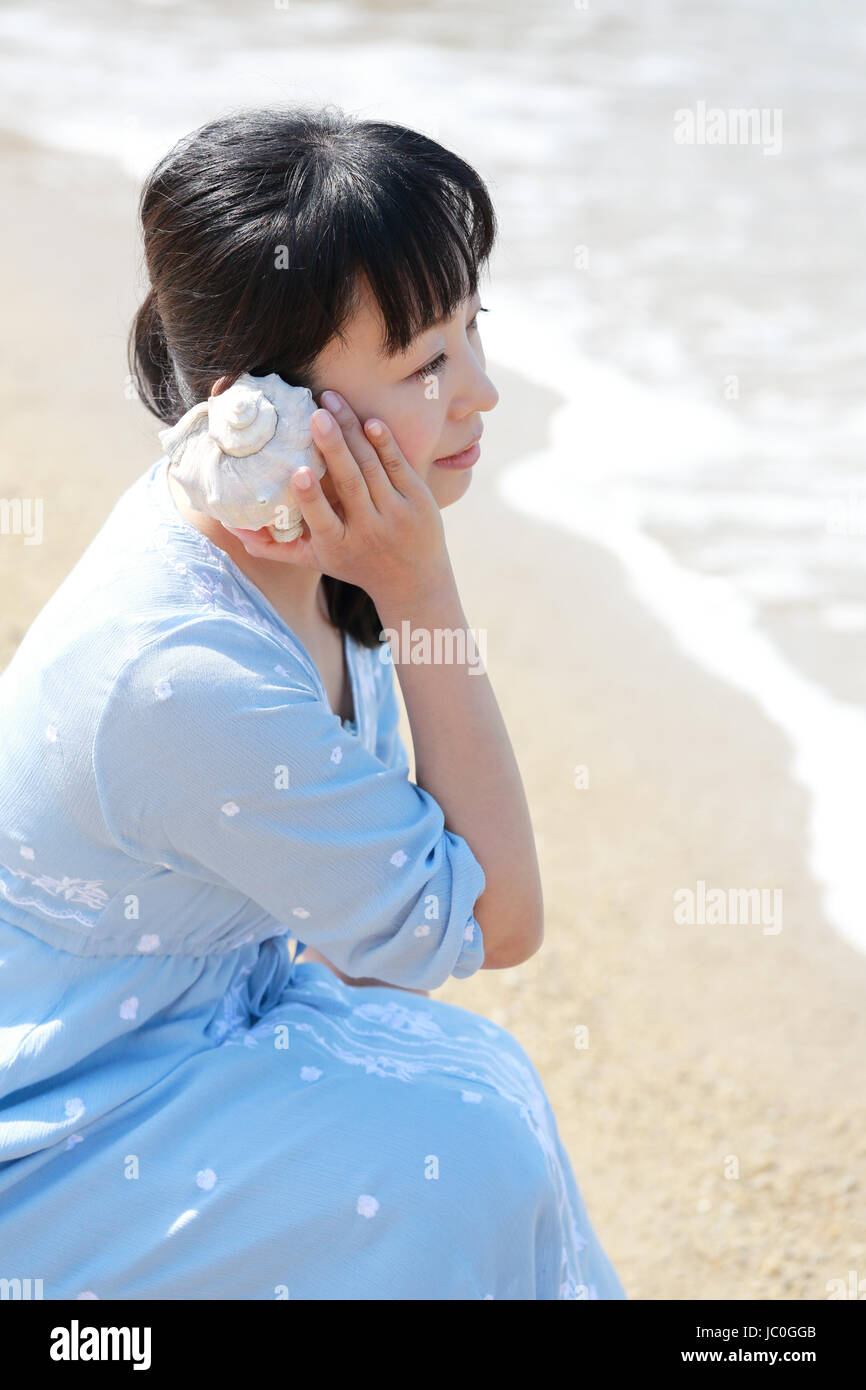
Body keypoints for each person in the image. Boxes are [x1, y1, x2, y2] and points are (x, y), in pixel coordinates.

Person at [0, 106, 625, 1300]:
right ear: (258, 409)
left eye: (471, 333)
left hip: (189, 1039)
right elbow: (500, 921)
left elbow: (396, 957)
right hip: (59, 1121)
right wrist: (421, 584)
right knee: (459, 1150)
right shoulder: (183, 670)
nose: (480, 393)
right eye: (425, 365)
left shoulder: (283, 531)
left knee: (472, 1087)